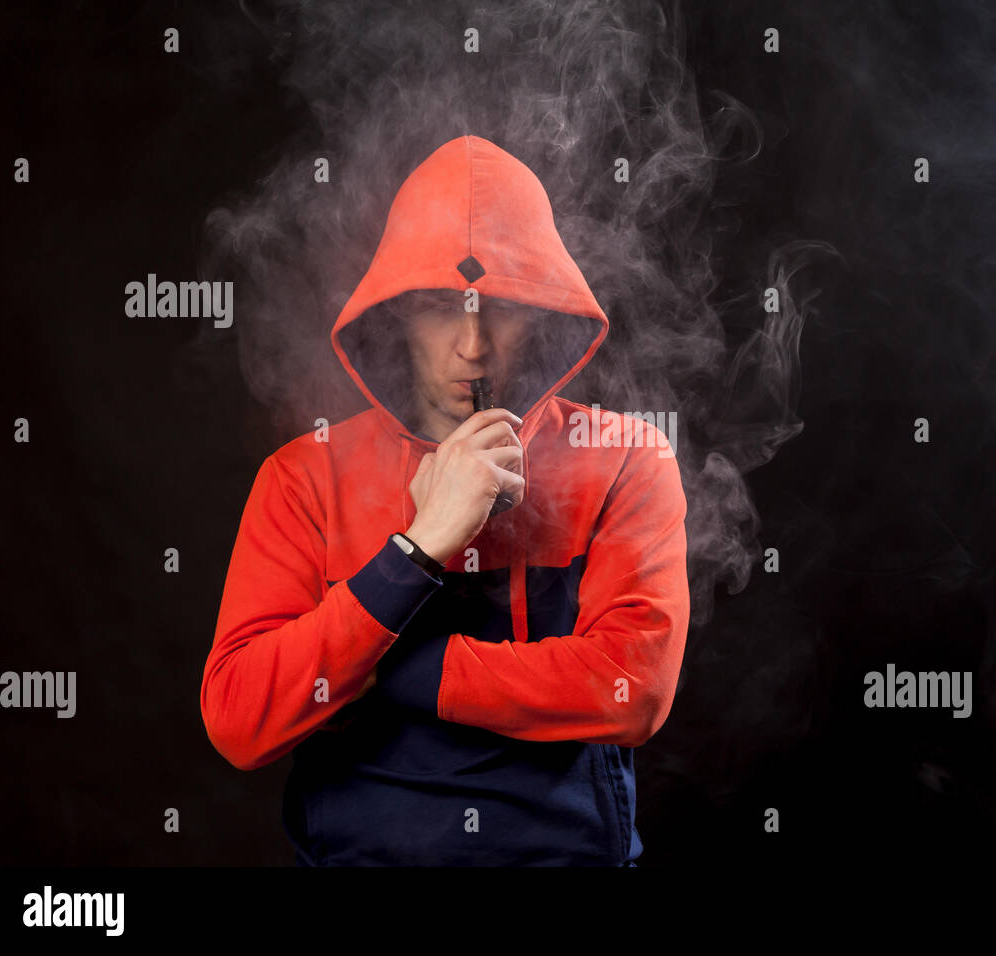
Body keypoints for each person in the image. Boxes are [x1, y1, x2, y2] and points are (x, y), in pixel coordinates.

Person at [199, 134, 690, 866]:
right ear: (393, 314)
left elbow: (631, 693)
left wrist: (386, 669)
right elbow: (241, 720)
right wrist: (419, 548)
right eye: (438, 307)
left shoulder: (626, 459)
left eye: (502, 306)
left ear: (547, 311)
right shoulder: (302, 476)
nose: (472, 345)